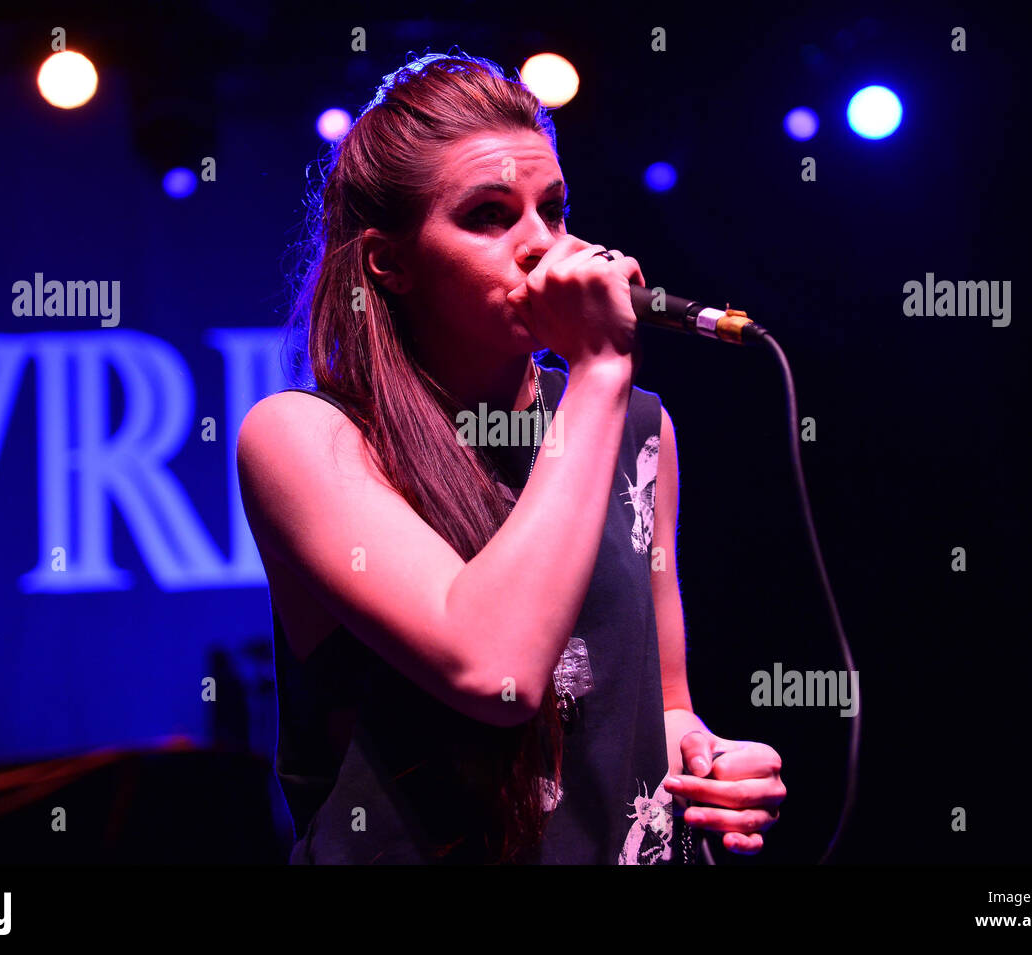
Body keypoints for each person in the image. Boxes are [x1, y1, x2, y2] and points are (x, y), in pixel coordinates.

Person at [237, 51, 785, 864]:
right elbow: (497, 672)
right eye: (490, 216)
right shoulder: (306, 438)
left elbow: (664, 704)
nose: (542, 244)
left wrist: (708, 760)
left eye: (554, 209)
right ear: (389, 263)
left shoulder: (640, 431)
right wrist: (599, 369)